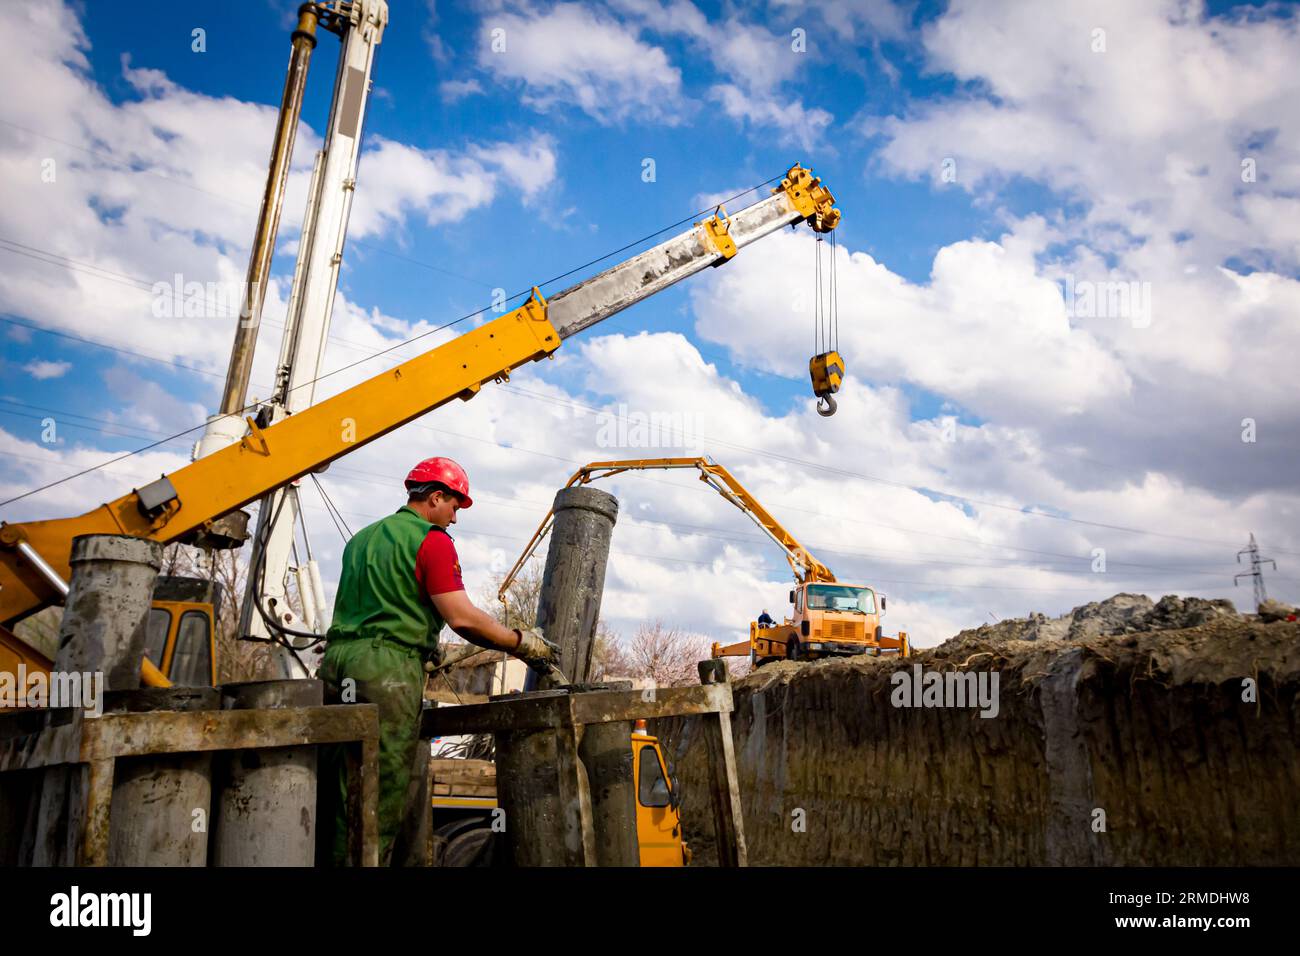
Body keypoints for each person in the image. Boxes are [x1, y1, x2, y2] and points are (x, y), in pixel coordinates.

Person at [319, 455, 558, 865]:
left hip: (337, 664)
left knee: (338, 780)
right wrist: (521, 642)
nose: (454, 519)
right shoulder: (432, 541)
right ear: (434, 497)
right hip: (386, 672)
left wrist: (422, 649)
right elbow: (462, 618)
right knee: (381, 783)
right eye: (454, 506)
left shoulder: (362, 538)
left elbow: (378, 612)